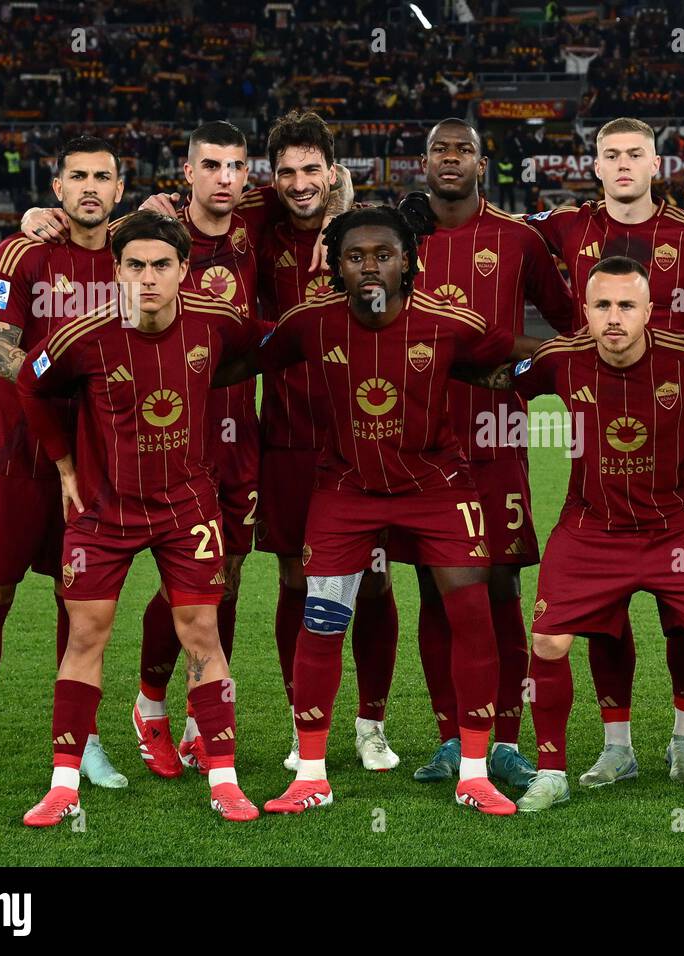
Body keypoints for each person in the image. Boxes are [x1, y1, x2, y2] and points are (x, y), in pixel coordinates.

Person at [216, 205, 539, 816]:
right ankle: (310, 774)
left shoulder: (447, 324)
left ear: (407, 263)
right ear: (335, 267)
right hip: (345, 492)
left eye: (383, 255)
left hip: (439, 489)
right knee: (322, 623)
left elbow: (520, 353)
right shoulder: (309, 323)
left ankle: (474, 772)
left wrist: (589, 354)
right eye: (356, 256)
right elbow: (240, 360)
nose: (370, 266)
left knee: (471, 617)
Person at [15, 211, 262, 825]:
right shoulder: (84, 333)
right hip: (102, 511)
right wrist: (65, 464)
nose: (147, 278)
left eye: (160, 266)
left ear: (183, 270)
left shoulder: (217, 320)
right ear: (116, 270)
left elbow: (261, 350)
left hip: (186, 506)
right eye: (134, 266)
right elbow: (28, 382)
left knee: (202, 633)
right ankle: (62, 784)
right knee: (85, 637)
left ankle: (224, 778)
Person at [487, 256, 684, 815]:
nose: (614, 317)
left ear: (649, 311)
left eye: (627, 305)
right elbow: (501, 378)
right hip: (591, 527)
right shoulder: (560, 359)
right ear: (584, 311)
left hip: (677, 525)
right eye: (602, 305)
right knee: (550, 642)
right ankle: (558, 769)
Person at [524, 116, 684, 788]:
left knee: (683, 620)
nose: (621, 165)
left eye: (634, 153)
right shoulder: (563, 227)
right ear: (595, 161)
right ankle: (616, 747)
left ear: (656, 160)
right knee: (601, 622)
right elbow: (491, 234)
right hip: (596, 467)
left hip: (676, 448)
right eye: (608, 154)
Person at [0, 135, 128, 805]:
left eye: (102, 177)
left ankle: (84, 741)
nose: (89, 187)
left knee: (83, 609)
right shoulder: (21, 252)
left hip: (94, 463)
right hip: (13, 455)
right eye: (76, 175)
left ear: (118, 189)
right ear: (56, 188)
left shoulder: (133, 258)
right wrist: (62, 387)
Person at [398, 118, 575, 789]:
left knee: (500, 585)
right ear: (424, 160)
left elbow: (569, 327)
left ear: (481, 162)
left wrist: (525, 373)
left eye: (462, 150)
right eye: (439, 148)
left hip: (497, 440)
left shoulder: (517, 238)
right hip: (415, 446)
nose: (450, 159)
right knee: (435, 591)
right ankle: (452, 738)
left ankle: (503, 740)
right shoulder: (400, 238)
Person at [251, 109, 401, 775]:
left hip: (361, 439)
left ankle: (372, 725)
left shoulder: (367, 236)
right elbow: (191, 204)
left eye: (313, 169)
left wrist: (344, 213)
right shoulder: (261, 229)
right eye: (287, 171)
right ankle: (301, 720)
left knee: (372, 582)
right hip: (286, 438)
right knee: (294, 579)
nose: (299, 182)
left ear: (333, 172)